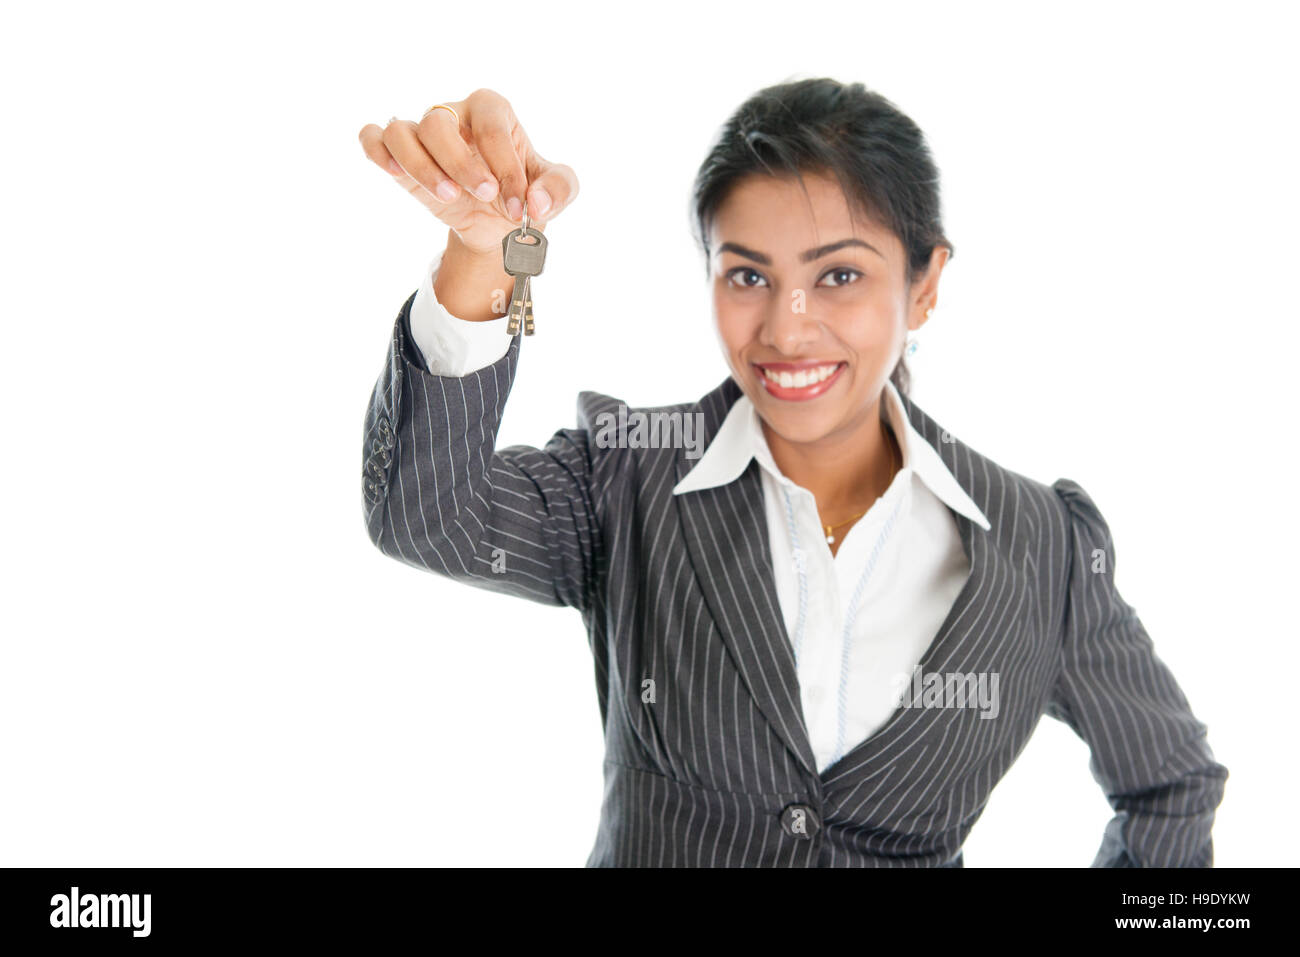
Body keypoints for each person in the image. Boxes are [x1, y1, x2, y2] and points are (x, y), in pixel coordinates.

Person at [356, 79, 1228, 867]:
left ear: (925, 285)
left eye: (840, 273)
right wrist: (486, 255)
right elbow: (429, 514)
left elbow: (1170, 785)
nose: (787, 328)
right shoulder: (628, 475)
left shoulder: (1044, 548)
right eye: (748, 275)